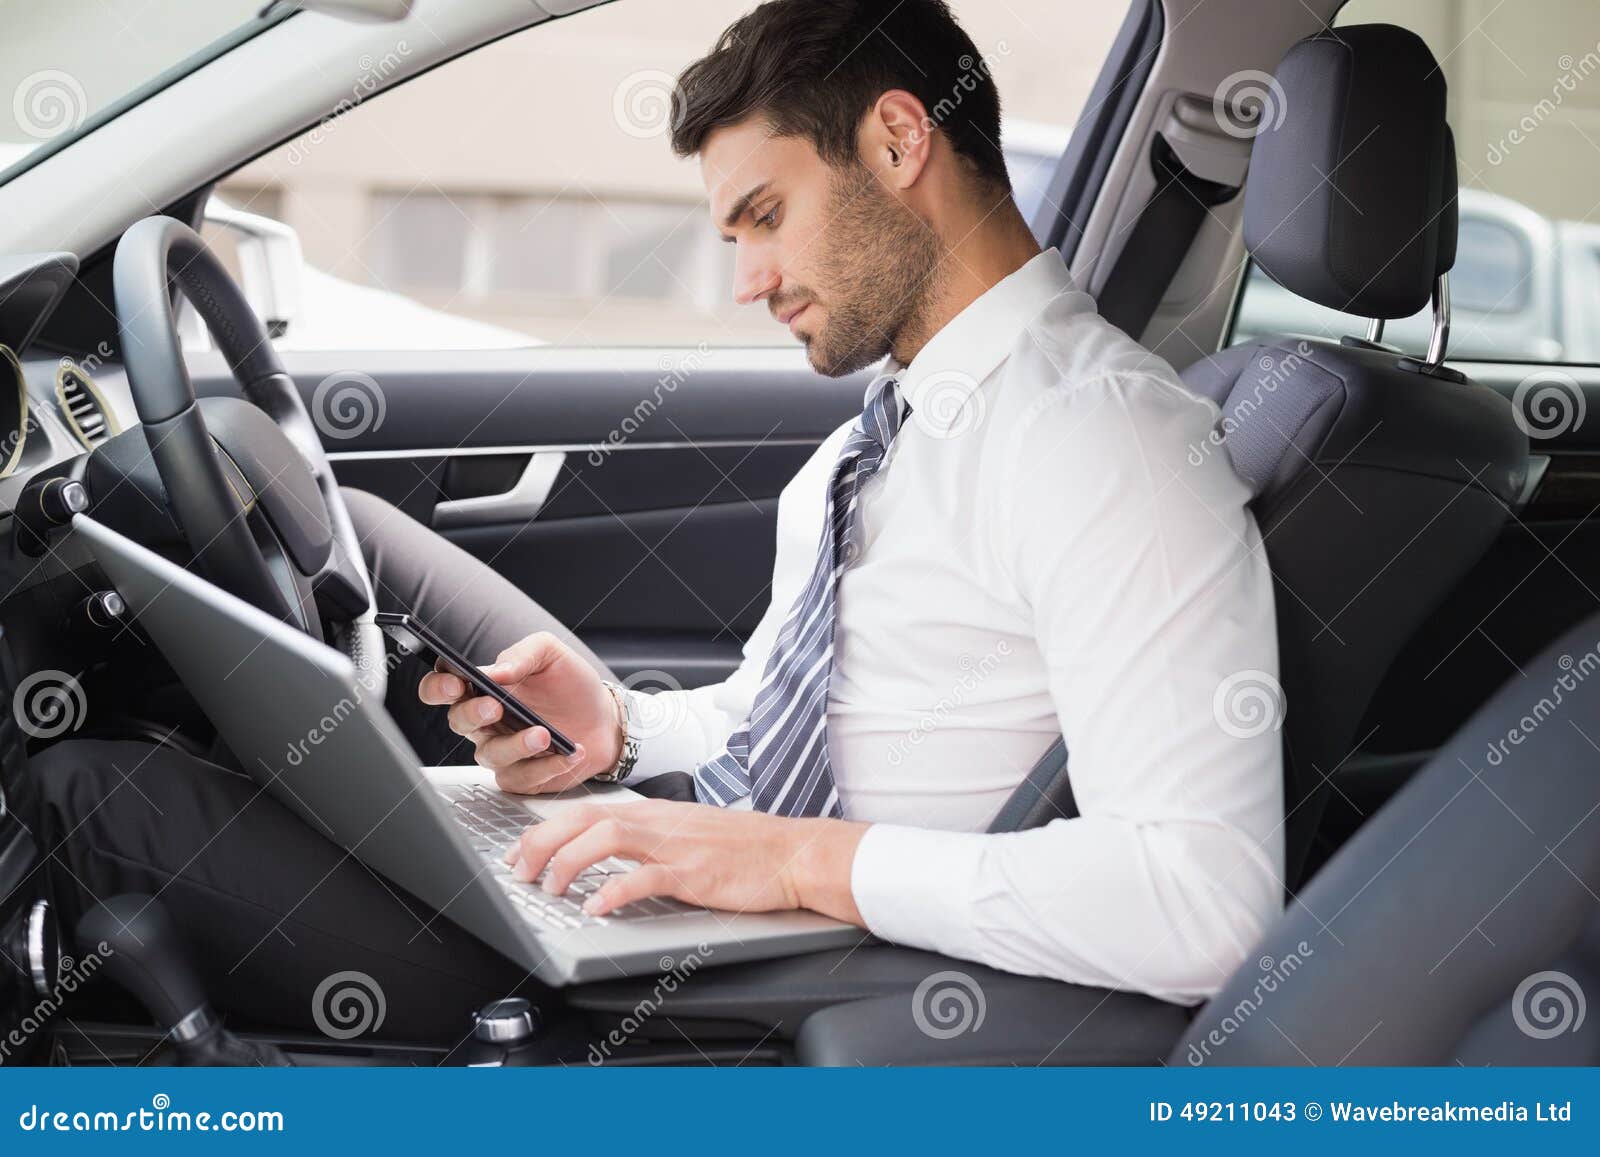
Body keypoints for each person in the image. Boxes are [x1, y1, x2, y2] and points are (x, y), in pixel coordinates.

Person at [34, 0, 1283, 1043]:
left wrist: (795, 861)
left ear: (900, 140)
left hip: (780, 985)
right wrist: (618, 734)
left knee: (97, 785)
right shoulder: (896, 421)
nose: (746, 280)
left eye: (764, 216)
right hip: (716, 899)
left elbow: (1202, 897)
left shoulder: (1097, 439)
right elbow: (795, 715)